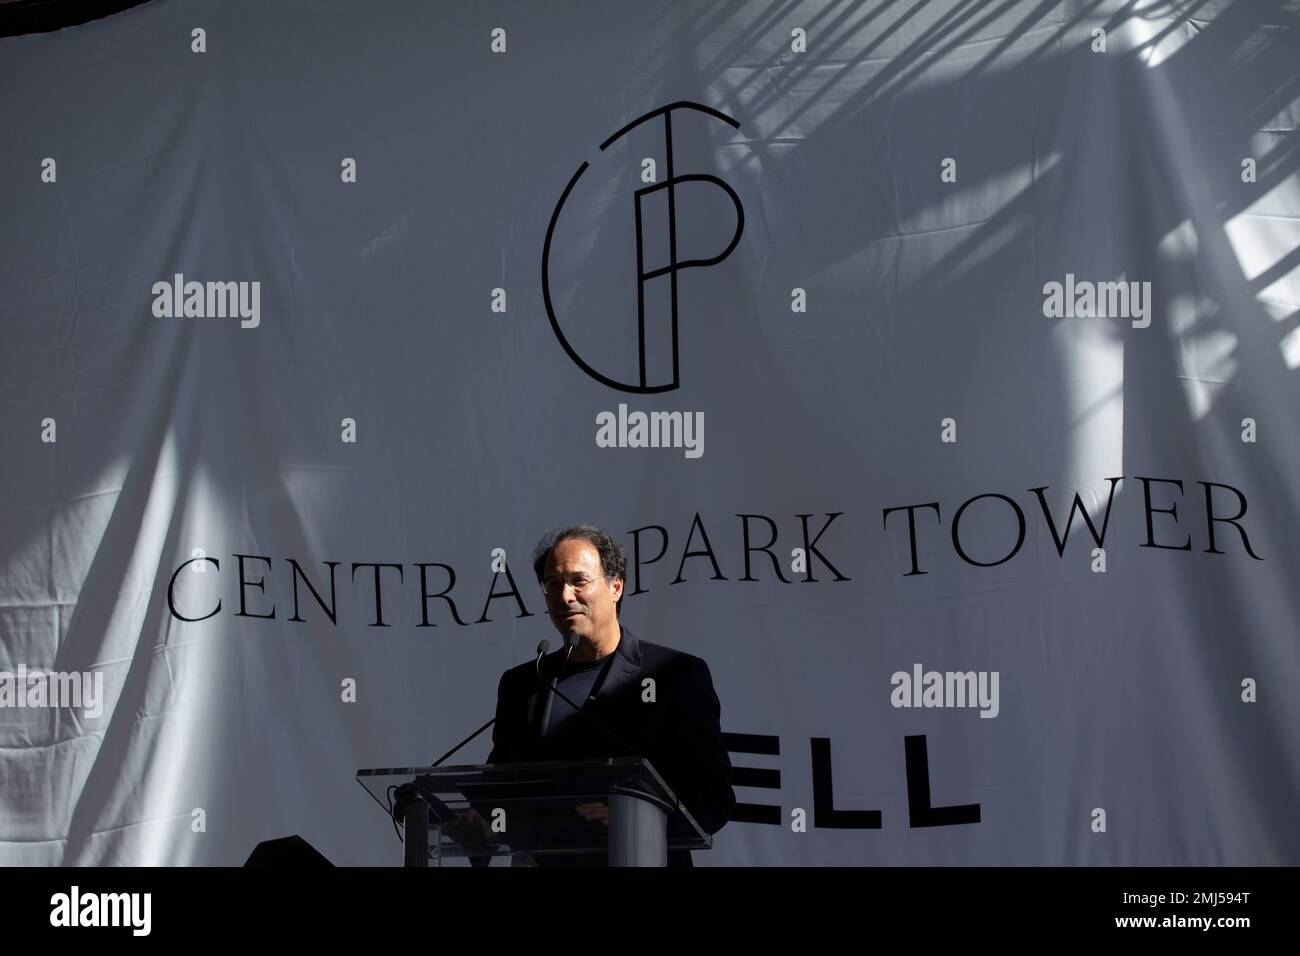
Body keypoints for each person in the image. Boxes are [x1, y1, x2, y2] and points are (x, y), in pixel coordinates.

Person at [450, 525, 734, 867]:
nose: (564, 596)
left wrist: (634, 823)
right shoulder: (524, 684)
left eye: (578, 581)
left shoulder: (675, 676)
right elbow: (502, 792)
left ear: (616, 586)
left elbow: (711, 798)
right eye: (553, 585)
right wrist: (482, 825)